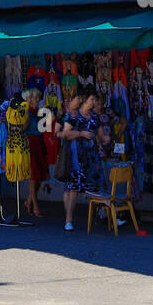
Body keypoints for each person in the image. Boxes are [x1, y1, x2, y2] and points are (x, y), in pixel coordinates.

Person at [61, 91, 105, 230]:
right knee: (73, 189)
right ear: (85, 100)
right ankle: (68, 220)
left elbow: (100, 134)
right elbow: (66, 134)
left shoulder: (94, 117)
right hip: (76, 157)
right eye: (92, 99)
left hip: (91, 157)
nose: (94, 102)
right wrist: (81, 134)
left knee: (98, 186)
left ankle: (108, 216)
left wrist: (104, 139)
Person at [24, 88, 47, 217]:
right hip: (31, 143)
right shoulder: (28, 113)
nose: (38, 100)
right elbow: (23, 129)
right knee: (34, 177)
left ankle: (29, 201)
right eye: (36, 98)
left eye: (39, 97)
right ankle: (35, 207)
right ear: (29, 99)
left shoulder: (38, 112)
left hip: (39, 143)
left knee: (39, 177)